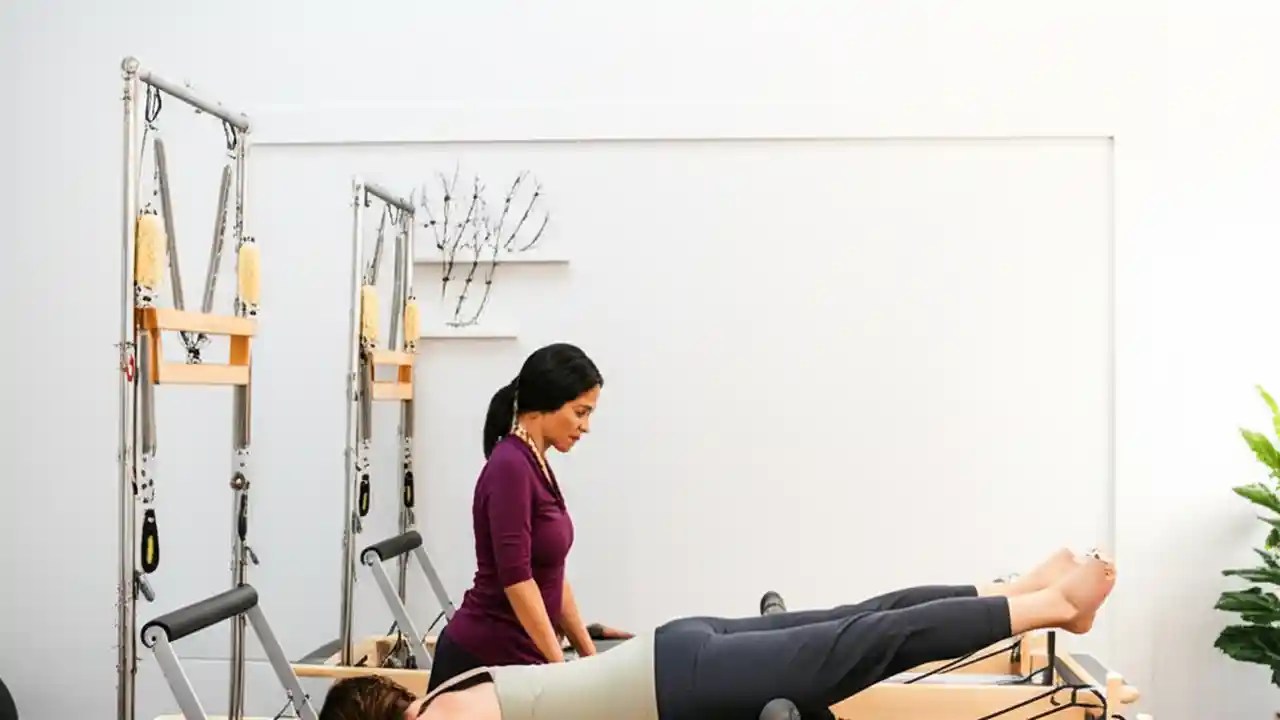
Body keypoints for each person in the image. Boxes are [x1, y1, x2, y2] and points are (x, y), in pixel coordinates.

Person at [318, 548, 1118, 720]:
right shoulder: (446, 695)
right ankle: (1025, 590)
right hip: (675, 652)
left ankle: (1049, 605)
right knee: (861, 621)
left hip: (683, 686)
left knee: (869, 643)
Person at [427, 343, 629, 692]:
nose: (586, 427)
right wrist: (560, 668)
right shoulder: (510, 466)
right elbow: (518, 580)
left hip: (520, 659)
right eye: (580, 412)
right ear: (547, 404)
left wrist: (589, 658)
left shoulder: (535, 462)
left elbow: (552, 573)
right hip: (484, 661)